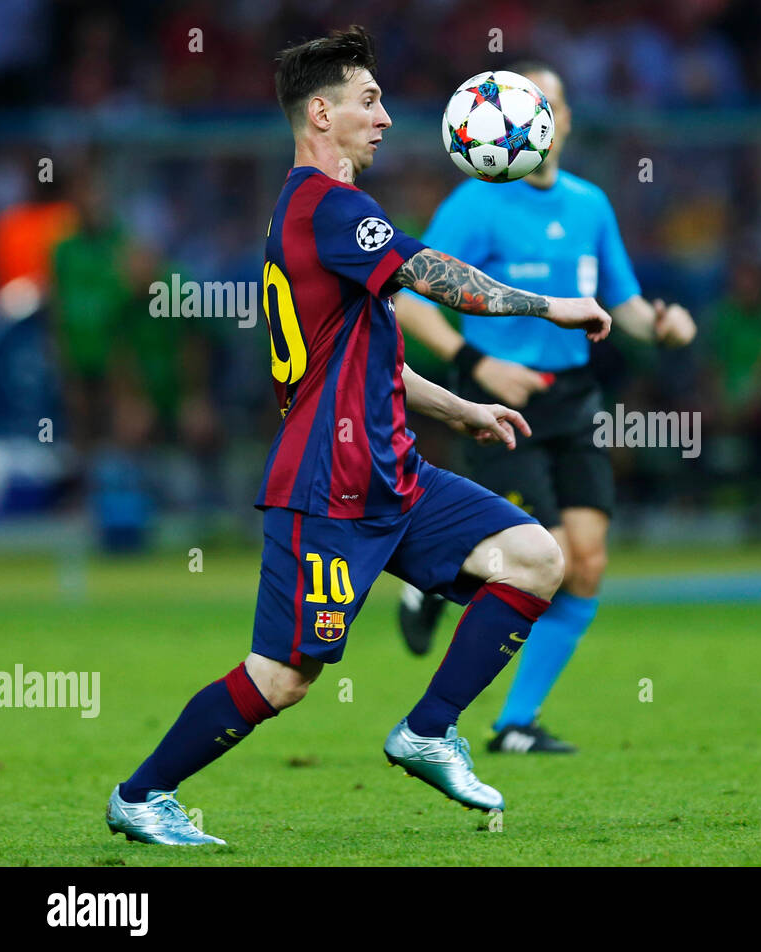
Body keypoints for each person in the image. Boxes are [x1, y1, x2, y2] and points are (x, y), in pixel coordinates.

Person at [106, 26, 612, 845]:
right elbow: (432, 274)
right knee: (284, 675)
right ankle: (141, 794)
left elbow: (374, 365)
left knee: (534, 556)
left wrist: (465, 410)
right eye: (367, 101)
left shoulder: (327, 218)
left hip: (392, 471)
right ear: (320, 112)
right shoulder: (325, 207)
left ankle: (428, 730)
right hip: (325, 486)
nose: (384, 118)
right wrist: (550, 305)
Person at [394, 62, 695, 755]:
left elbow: (621, 305)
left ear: (562, 119)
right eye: (530, 102)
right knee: (536, 555)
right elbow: (409, 299)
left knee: (585, 562)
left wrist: (664, 324)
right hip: (501, 407)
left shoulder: (589, 203)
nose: (541, 114)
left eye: (551, 103)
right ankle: (431, 584)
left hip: (574, 401)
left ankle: (514, 725)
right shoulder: (475, 203)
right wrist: (480, 365)